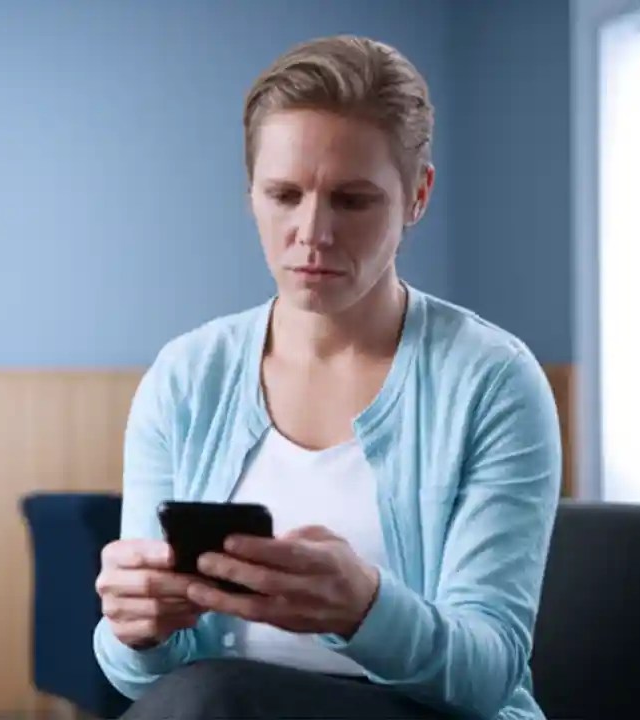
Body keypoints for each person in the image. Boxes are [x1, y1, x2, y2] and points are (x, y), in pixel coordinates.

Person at [92, 35, 562, 720]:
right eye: (284, 195)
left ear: (417, 195)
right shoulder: (187, 377)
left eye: (352, 200)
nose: (312, 233)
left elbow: (488, 676)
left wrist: (366, 609)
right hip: (215, 708)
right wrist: (134, 630)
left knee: (211, 698)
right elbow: (142, 679)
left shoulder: (493, 381)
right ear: (251, 194)